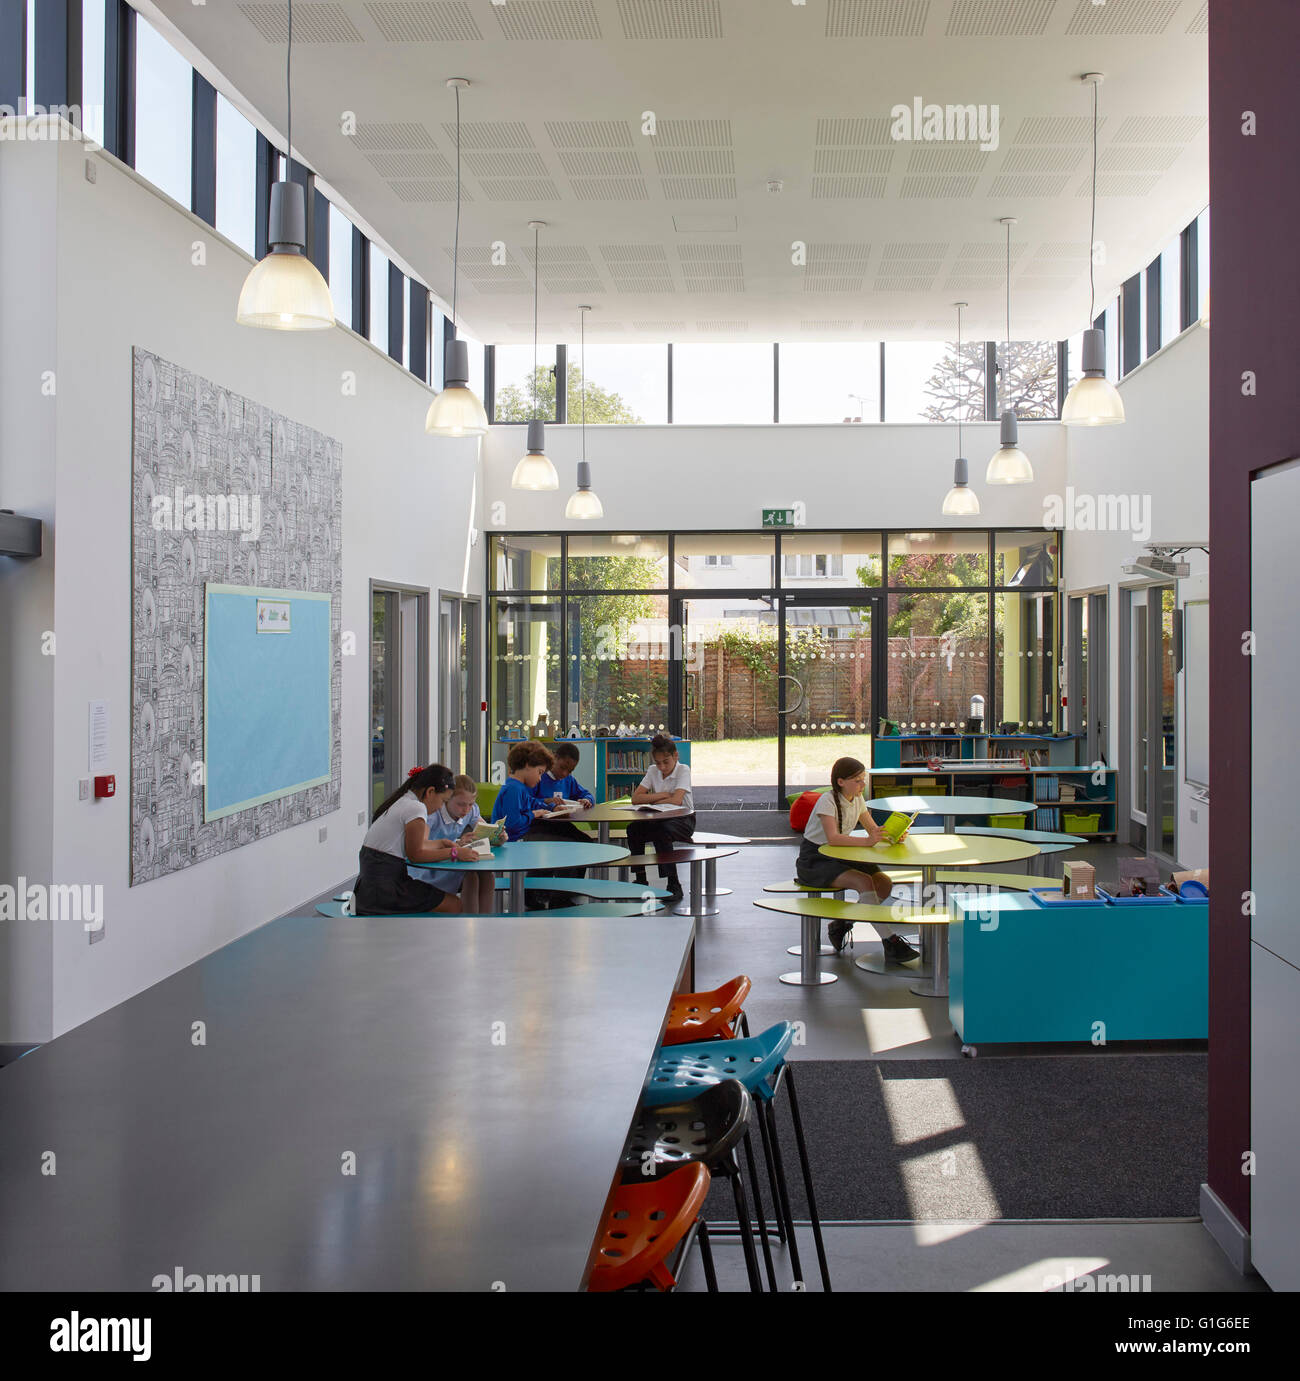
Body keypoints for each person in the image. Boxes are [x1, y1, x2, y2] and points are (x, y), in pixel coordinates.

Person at [797, 756, 920, 962]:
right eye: (858, 780)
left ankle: (841, 924)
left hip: (844, 853)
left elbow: (873, 829)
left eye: (863, 779)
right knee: (864, 882)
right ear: (841, 782)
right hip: (816, 858)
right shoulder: (827, 801)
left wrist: (893, 836)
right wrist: (868, 842)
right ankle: (890, 941)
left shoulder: (858, 799)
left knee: (884, 883)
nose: (863, 785)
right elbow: (833, 839)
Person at [354, 764, 464, 916]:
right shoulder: (416, 808)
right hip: (386, 889)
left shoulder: (402, 801)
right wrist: (454, 853)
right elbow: (416, 854)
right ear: (431, 792)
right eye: (443, 801)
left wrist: (440, 843)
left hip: (369, 887)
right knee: (454, 904)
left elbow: (414, 846)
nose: (440, 807)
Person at [409, 773, 500, 914]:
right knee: (471, 876)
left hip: (452, 861)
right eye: (461, 804)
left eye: (470, 804)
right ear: (447, 799)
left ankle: (485, 922)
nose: (466, 809)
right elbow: (422, 844)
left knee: (487, 875)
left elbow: (484, 829)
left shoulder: (470, 810)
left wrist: (497, 836)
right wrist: (457, 843)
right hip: (430, 866)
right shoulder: (434, 814)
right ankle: (470, 923)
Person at [627, 734, 695, 902]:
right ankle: (641, 879)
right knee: (633, 829)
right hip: (658, 818)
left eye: (666, 762)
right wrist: (663, 795)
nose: (662, 767)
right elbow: (635, 799)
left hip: (683, 820)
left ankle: (673, 884)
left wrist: (652, 798)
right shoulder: (652, 771)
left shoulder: (683, 770)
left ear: (675, 756)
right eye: (658, 763)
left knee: (661, 831)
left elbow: (677, 801)